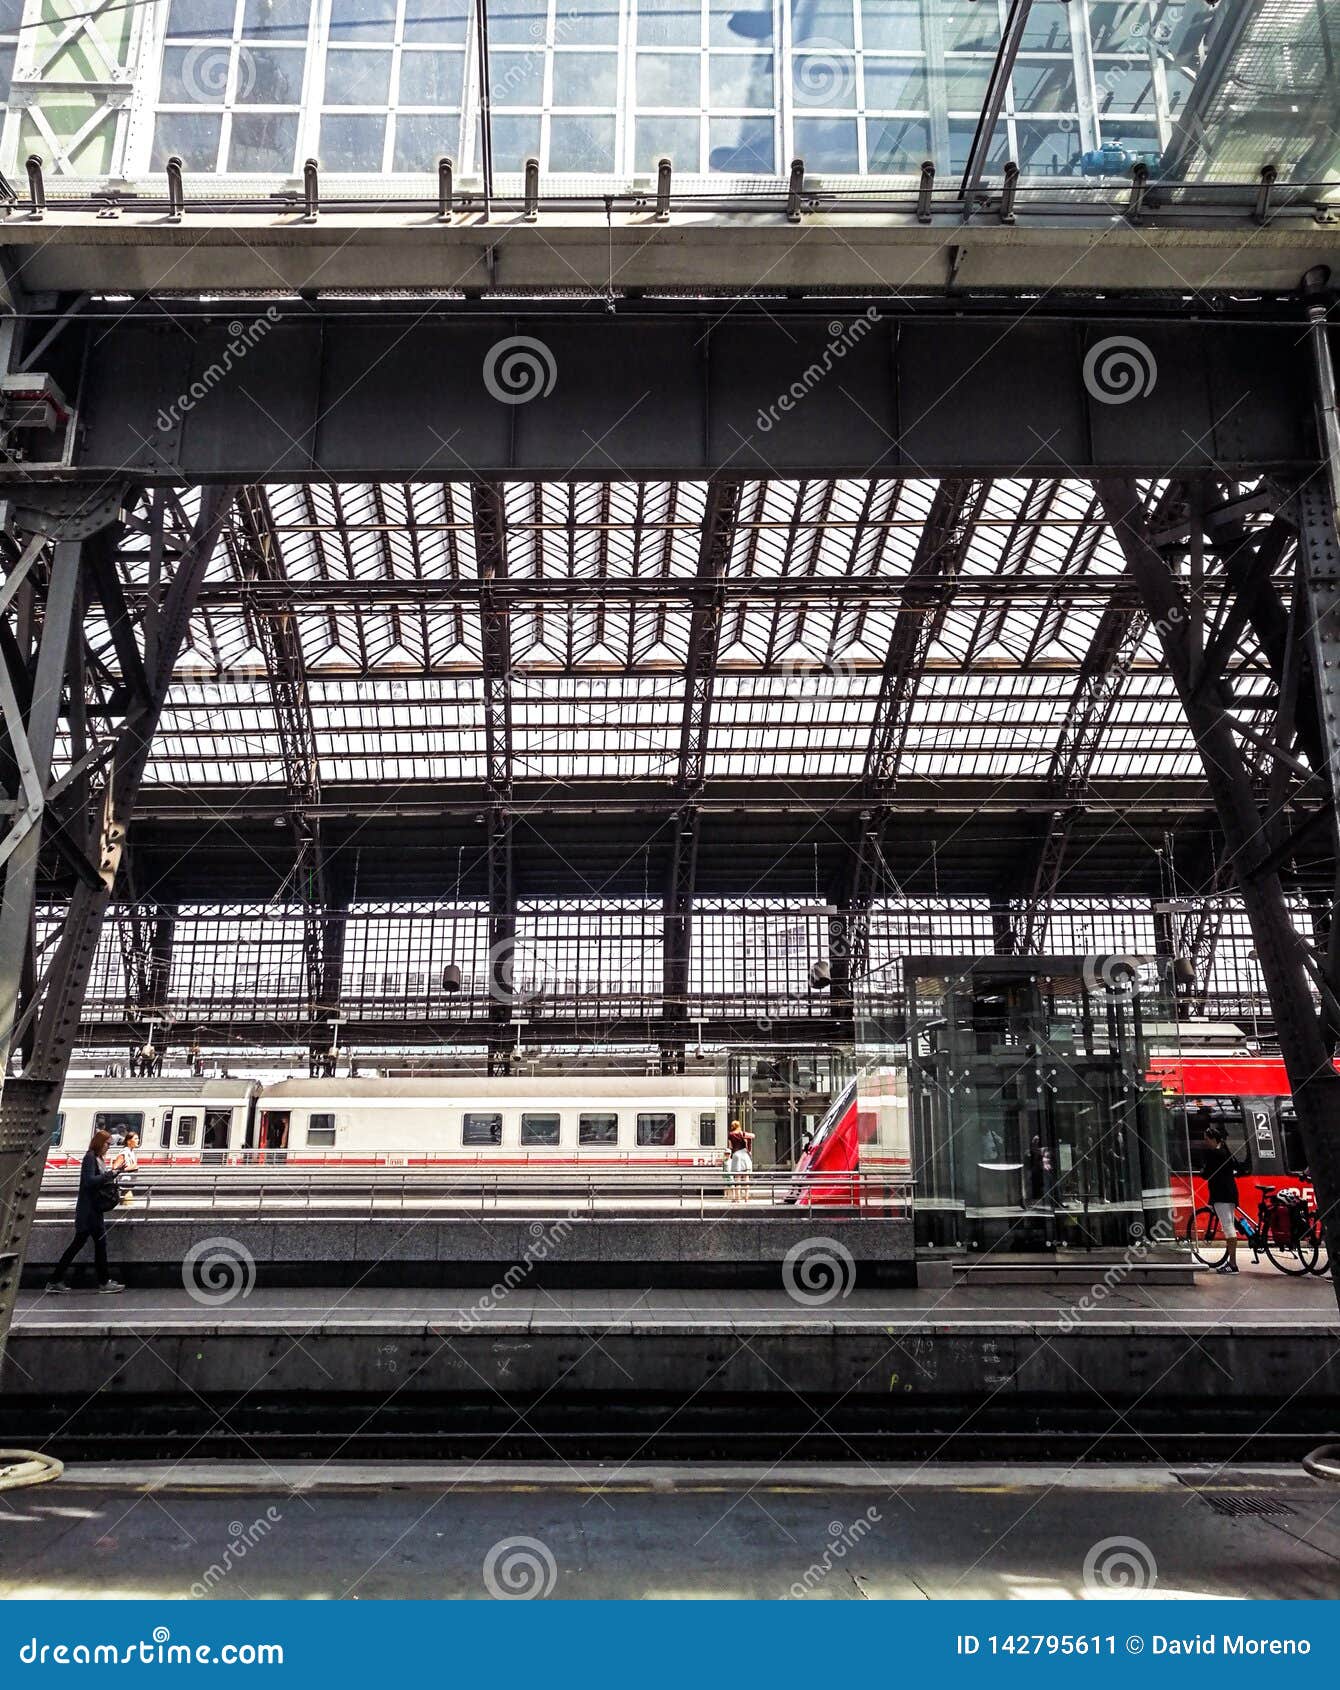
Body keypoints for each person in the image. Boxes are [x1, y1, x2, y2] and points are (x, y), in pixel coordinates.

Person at [46, 1129, 125, 1294]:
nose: (108, 1148)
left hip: (92, 1211)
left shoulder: (96, 1158)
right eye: (106, 1144)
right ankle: (102, 1282)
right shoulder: (90, 1158)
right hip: (89, 1212)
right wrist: (109, 1174)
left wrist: (114, 1173)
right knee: (90, 1244)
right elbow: (89, 1181)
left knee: (86, 1244)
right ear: (99, 1143)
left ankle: (56, 1279)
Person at [1200, 1119, 1243, 1275]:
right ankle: (1231, 1262)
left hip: (1221, 1195)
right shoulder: (1225, 1151)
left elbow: (1206, 1174)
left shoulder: (1215, 1154)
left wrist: (1202, 1170)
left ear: (1212, 1139)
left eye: (1206, 1139)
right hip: (1230, 1193)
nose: (1205, 1143)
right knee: (1230, 1225)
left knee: (1229, 1229)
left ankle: (1232, 1265)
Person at [726, 1123, 754, 1205]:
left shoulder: (730, 1135)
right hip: (744, 1154)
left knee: (737, 1178)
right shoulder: (742, 1133)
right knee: (746, 1178)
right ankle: (746, 1198)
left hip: (736, 1155)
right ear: (738, 1126)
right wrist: (748, 1144)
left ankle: (738, 1198)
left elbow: (730, 1146)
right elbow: (753, 1136)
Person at [118, 1131, 140, 1206]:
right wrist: (133, 1167)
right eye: (136, 1139)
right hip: (125, 1183)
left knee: (126, 1204)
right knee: (128, 1206)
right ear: (129, 1141)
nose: (138, 1140)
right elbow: (115, 1167)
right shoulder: (124, 1152)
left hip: (128, 1184)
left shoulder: (131, 1152)